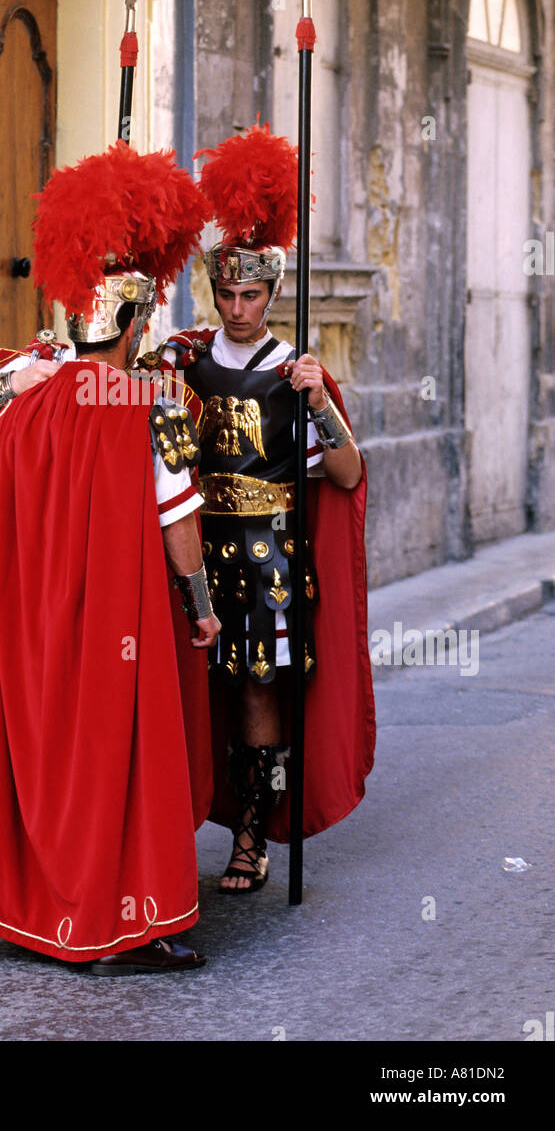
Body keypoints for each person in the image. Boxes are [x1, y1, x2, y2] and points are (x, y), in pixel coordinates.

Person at [0, 142, 221, 972]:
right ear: (131, 321)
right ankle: (122, 919)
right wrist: (200, 608)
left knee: (41, 756)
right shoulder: (154, 406)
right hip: (117, 618)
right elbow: (178, 524)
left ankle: (32, 914)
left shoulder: (28, 385)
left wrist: (20, 379)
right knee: (117, 766)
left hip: (28, 619)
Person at [141, 124, 375, 894]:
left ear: (272, 294)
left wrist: (316, 400)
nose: (238, 307)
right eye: (226, 293)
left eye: (251, 294)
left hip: (271, 558)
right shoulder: (187, 357)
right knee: (188, 687)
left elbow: (346, 474)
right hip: (197, 547)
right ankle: (161, 828)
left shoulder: (293, 372)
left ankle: (251, 832)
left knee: (257, 687)